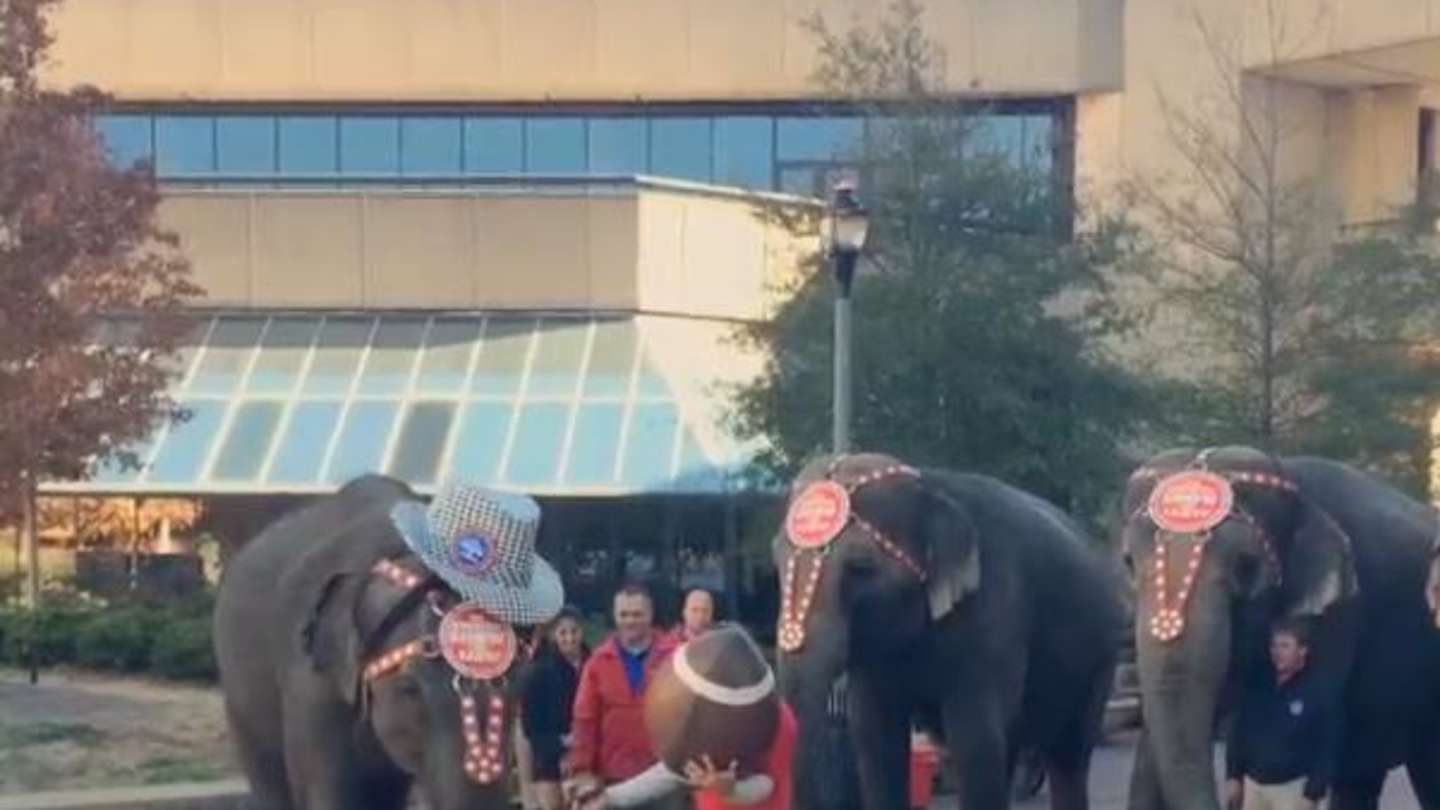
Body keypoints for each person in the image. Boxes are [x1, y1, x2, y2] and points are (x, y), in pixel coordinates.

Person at [575, 624, 796, 810]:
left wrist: (731, 790)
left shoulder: (775, 721)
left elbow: (766, 784)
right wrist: (612, 797)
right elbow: (677, 768)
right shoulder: (702, 710)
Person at [568, 584, 681, 810]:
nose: (630, 621)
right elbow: (584, 721)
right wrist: (581, 771)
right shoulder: (598, 663)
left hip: (664, 778)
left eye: (637, 614)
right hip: (613, 779)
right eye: (624, 614)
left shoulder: (677, 657)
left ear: (650, 615)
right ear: (615, 616)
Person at [1225, 619, 1340, 810]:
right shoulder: (1258, 686)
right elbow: (1238, 731)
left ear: (1303, 650)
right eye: (1274, 645)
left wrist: (1312, 794)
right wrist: (1233, 775)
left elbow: (1328, 746)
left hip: (1292, 790)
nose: (1277, 653)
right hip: (1253, 787)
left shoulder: (1319, 691)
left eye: (1285, 646)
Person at [524, 607, 591, 810]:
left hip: (587, 757)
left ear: (582, 632)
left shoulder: (594, 665)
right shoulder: (540, 672)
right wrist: (561, 742)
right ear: (554, 635)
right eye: (563, 633)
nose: (569, 638)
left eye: (574, 632)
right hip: (549, 759)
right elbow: (531, 727)